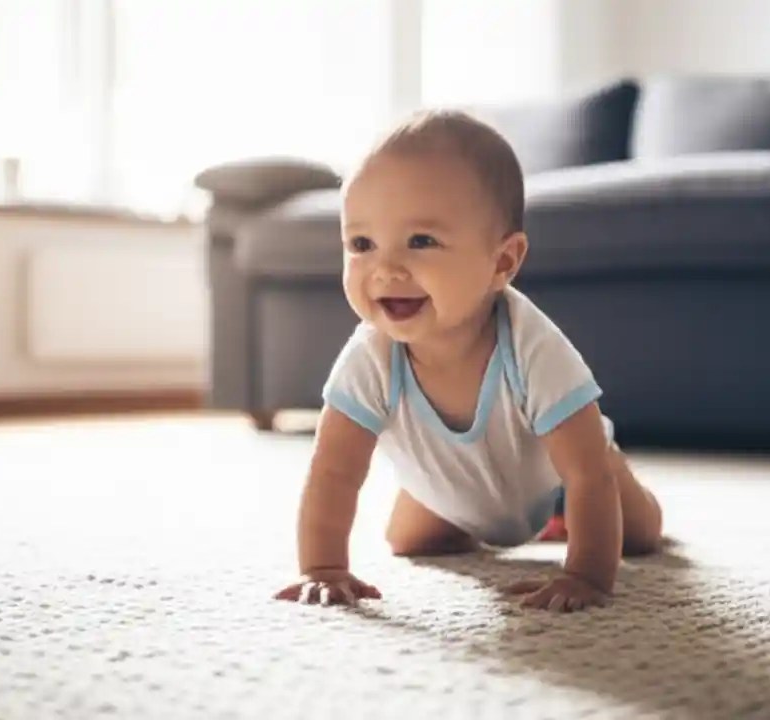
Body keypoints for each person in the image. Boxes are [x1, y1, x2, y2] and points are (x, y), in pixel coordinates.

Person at [273, 110, 662, 613]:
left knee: (638, 532)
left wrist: (584, 575)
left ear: (502, 262)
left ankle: (587, 495)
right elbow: (332, 473)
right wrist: (323, 569)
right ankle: (446, 489)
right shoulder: (369, 358)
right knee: (408, 542)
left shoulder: (531, 346)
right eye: (361, 244)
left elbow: (584, 475)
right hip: (450, 487)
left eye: (421, 242)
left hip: (556, 477)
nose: (386, 269)